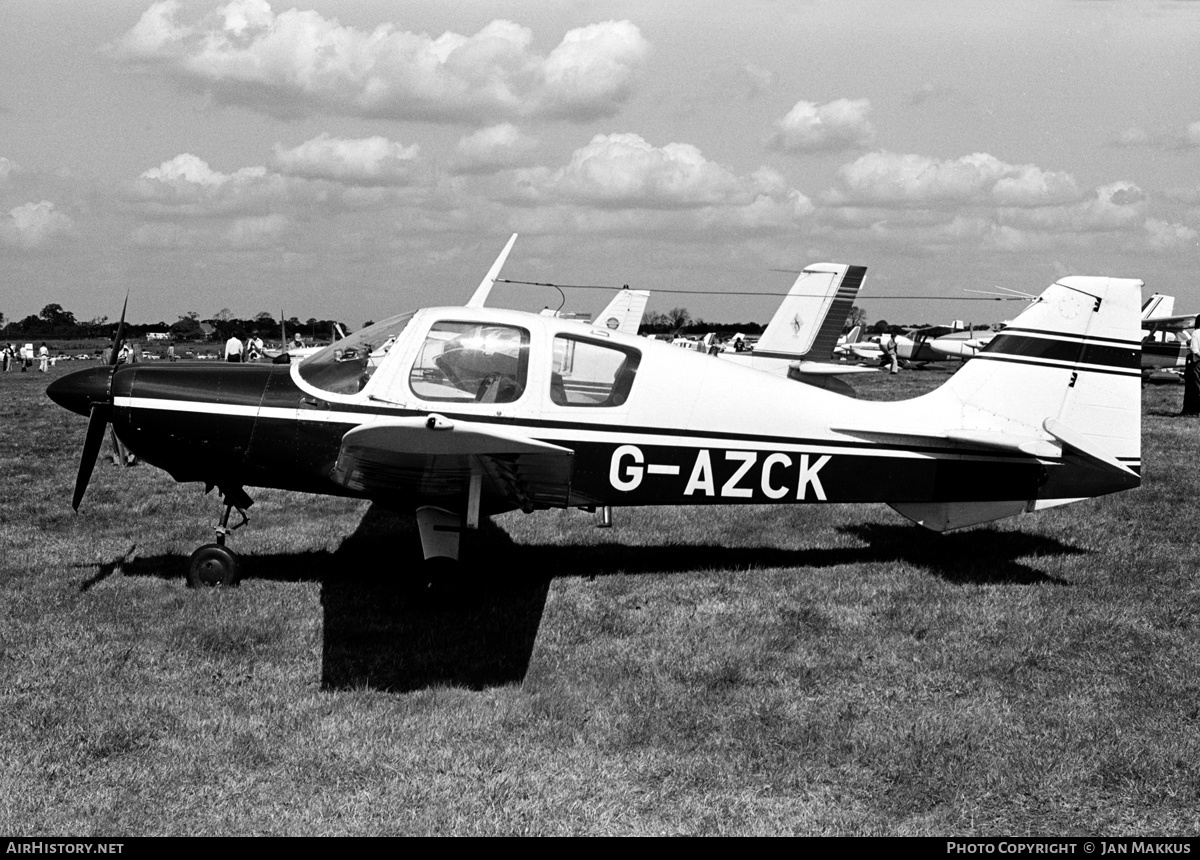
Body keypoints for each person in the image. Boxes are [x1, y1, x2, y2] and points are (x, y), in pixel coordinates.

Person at [1181, 328, 1200, 416]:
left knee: (1196, 387)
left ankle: (1194, 410)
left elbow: (1194, 350)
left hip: (1197, 362)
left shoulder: (1196, 333)